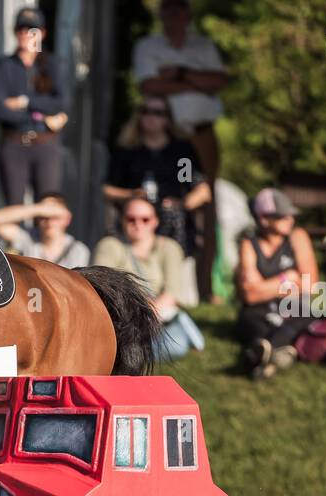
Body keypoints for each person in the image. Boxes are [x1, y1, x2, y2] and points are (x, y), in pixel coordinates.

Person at [133, 0, 228, 300]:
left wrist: (179, 74)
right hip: (167, 137)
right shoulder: (148, 46)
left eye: (179, 10)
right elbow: (149, 86)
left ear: (187, 14)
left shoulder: (203, 46)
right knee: (161, 201)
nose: (174, 15)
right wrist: (197, 82)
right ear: (162, 13)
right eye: (169, 10)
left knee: (205, 204)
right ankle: (156, 285)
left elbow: (219, 80)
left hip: (201, 135)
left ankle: (206, 288)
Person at [93, 196, 204, 361]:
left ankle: (125, 354)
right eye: (131, 219)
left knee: (176, 345)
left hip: (157, 320)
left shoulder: (169, 247)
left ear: (155, 221)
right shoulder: (109, 245)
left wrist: (144, 316)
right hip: (118, 317)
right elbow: (101, 287)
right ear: (122, 220)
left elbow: (172, 293)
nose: (138, 224)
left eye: (145, 219)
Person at [103, 94, 210, 259]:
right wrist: (131, 195)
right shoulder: (128, 151)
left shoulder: (180, 152)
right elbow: (107, 189)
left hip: (175, 232)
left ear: (168, 119)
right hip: (135, 231)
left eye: (158, 113)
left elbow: (200, 191)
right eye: (146, 111)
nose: (151, 117)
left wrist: (181, 203)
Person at [235, 188, 318, 379]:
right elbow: (250, 295)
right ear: (264, 219)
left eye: (291, 215)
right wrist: (287, 279)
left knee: (305, 314)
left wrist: (264, 286)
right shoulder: (249, 244)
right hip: (258, 311)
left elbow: (310, 285)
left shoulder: (298, 237)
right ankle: (278, 354)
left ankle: (262, 355)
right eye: (283, 216)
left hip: (294, 308)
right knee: (250, 318)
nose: (291, 219)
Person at [0, 6, 70, 204]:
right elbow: (0, 111)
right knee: (13, 206)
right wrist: (41, 116)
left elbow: (62, 102)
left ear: (42, 33)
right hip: (14, 142)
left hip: (45, 143)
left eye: (32, 30)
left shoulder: (51, 64)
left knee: (47, 204)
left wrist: (24, 102)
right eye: (22, 29)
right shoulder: (4, 65)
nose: (26, 34)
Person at [0, 193, 91, 268]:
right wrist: (39, 209)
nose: (49, 222)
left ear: (67, 218)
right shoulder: (28, 238)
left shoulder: (78, 250)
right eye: (43, 216)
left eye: (55, 217)